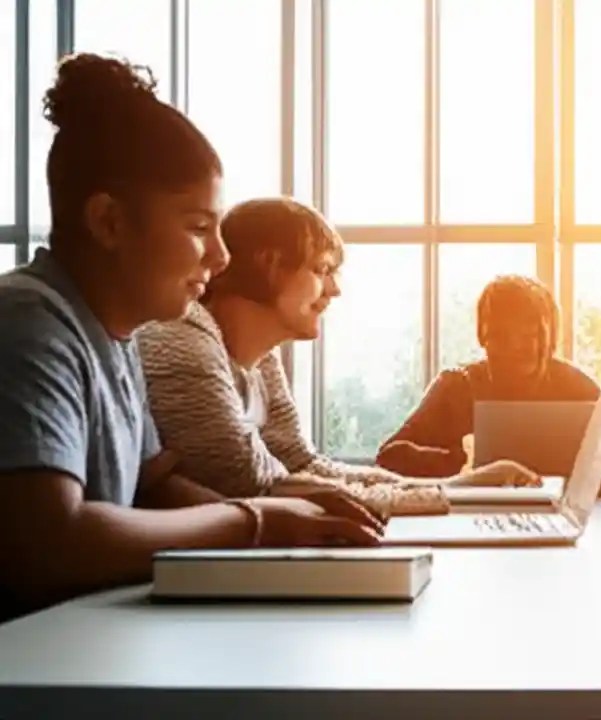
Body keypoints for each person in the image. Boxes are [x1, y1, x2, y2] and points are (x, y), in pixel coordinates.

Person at [0, 54, 382, 623]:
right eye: (199, 227)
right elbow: (51, 541)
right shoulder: (29, 324)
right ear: (108, 222)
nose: (222, 256)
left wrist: (283, 515)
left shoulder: (116, 338)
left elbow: (155, 487)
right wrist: (252, 523)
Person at [138, 198, 539, 518]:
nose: (334, 289)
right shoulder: (183, 341)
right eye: (322, 269)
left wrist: (456, 487)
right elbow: (261, 485)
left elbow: (304, 467)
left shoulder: (262, 361)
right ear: (271, 264)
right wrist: (447, 496)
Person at [376, 274, 601, 495]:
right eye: (502, 336)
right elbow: (390, 456)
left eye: (531, 336)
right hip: (467, 521)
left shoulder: (570, 382)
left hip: (556, 519)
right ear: (482, 336)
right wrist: (465, 463)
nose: (516, 348)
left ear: (551, 339)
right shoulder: (456, 386)